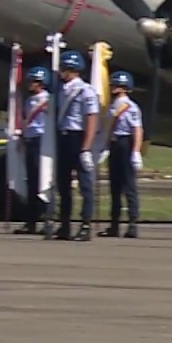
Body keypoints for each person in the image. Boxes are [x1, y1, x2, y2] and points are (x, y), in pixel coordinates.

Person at [53, 50, 100, 242]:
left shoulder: (85, 90)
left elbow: (91, 118)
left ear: (73, 70)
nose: (61, 72)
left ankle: (85, 225)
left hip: (77, 137)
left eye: (64, 68)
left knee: (85, 186)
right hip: (63, 137)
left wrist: (86, 148)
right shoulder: (61, 89)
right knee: (63, 185)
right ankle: (64, 224)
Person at [100, 71, 144, 239]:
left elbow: (138, 129)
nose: (113, 87)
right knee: (115, 186)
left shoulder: (130, 107)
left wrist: (136, 151)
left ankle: (133, 224)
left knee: (129, 186)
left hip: (126, 143)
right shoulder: (113, 106)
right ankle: (114, 224)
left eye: (117, 85)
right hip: (115, 143)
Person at [13, 66, 54, 237]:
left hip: (42, 142)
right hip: (31, 141)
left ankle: (47, 218)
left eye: (34, 81)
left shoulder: (48, 101)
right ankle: (31, 221)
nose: (31, 84)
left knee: (43, 181)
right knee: (31, 182)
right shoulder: (30, 101)